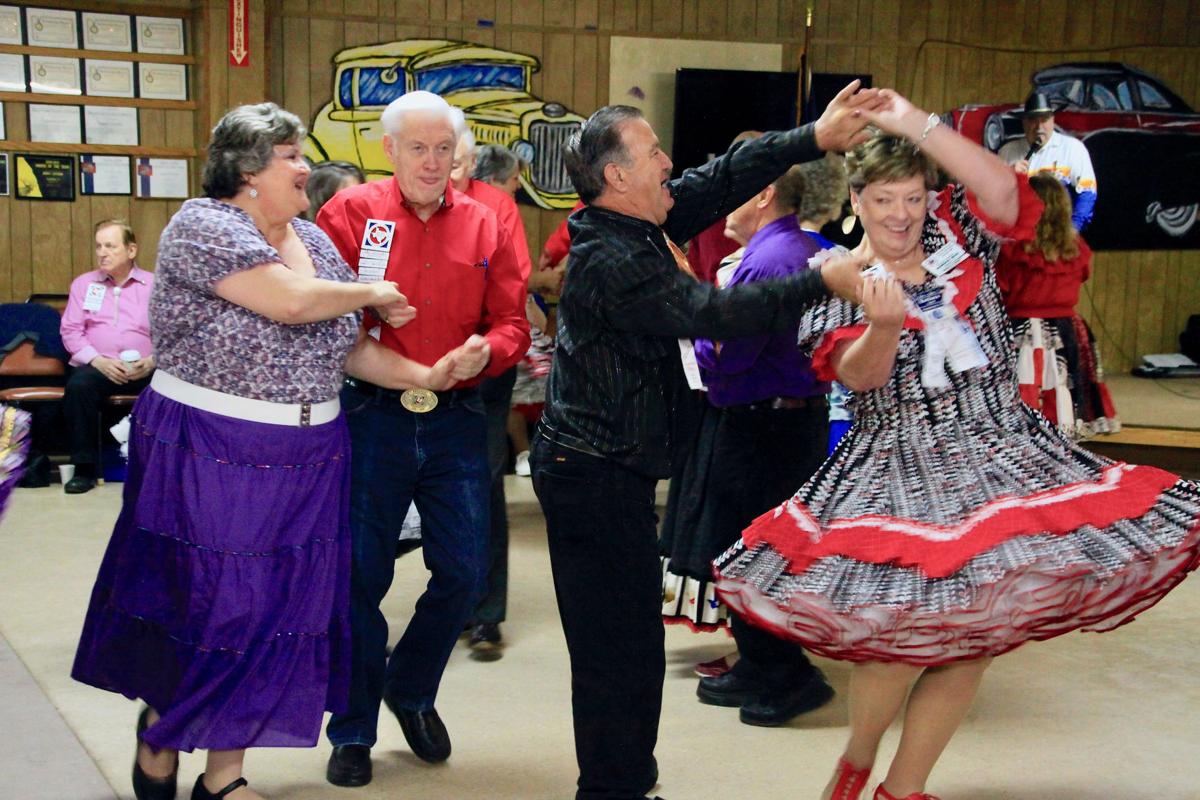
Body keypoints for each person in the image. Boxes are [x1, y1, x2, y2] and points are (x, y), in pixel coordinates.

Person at [714, 90, 1200, 800]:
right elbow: (856, 376)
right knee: (903, 643)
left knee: (978, 635)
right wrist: (881, 326)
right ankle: (856, 763)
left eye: (912, 197)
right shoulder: (838, 277)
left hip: (999, 449)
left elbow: (1003, 187)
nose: (902, 214)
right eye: (884, 200)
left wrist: (912, 122)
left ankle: (901, 790)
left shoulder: (959, 233)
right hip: (900, 465)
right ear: (857, 200)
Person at [72, 102, 445, 800]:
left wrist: (425, 376)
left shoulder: (314, 240)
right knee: (215, 608)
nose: (307, 168)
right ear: (248, 170)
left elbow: (347, 344)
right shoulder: (202, 225)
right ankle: (162, 729)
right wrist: (372, 291)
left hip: (309, 455)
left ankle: (224, 776)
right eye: (292, 157)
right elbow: (292, 303)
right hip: (211, 450)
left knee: (279, 612)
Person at [531, 81, 880, 800]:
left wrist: (814, 135)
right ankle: (612, 791)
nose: (669, 163)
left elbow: (718, 178)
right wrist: (820, 279)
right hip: (590, 475)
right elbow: (716, 312)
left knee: (631, 650)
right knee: (616, 654)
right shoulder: (611, 259)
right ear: (616, 177)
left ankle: (625, 785)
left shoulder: (633, 221)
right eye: (653, 152)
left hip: (610, 470)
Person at [316, 90, 529, 788]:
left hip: (459, 422)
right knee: (360, 580)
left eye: (444, 149)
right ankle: (351, 729)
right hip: (372, 416)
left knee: (465, 573)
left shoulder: (487, 222)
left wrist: (485, 354)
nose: (433, 162)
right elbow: (324, 322)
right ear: (390, 151)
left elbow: (512, 324)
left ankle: (408, 688)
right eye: (418, 148)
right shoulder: (350, 214)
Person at [677, 164, 836, 727]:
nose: (725, 210)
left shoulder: (770, 260)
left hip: (765, 426)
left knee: (749, 554)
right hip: (776, 421)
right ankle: (760, 661)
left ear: (764, 194)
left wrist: (693, 306)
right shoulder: (787, 248)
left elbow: (727, 354)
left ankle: (788, 675)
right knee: (743, 550)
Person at [448, 112, 532, 658]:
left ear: (472, 162)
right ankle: (450, 599)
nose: (440, 170)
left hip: (481, 368)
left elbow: (512, 287)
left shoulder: (495, 206)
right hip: (413, 371)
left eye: (452, 161)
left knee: (480, 485)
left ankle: (485, 612)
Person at [997, 173, 1119, 437]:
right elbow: (1083, 273)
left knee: (1025, 396)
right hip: (1067, 332)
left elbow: (1001, 286)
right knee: (1063, 390)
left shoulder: (1013, 247)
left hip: (1021, 333)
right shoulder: (1074, 247)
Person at [58, 220, 156, 493]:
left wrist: (151, 362)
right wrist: (98, 360)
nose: (102, 252)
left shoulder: (154, 285)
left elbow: (173, 333)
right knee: (79, 387)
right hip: (99, 366)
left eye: (111, 246)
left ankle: (166, 468)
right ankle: (84, 469)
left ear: (131, 250)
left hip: (146, 366)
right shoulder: (84, 284)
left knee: (176, 387)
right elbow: (71, 331)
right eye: (99, 246)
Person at [998, 90, 1097, 230]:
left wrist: (1071, 233)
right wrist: (1009, 177)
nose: (1039, 127)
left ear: (1053, 119)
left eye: (1044, 119)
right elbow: (992, 200)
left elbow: (1087, 194)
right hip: (1021, 238)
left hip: (1058, 236)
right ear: (1024, 122)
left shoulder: (1073, 148)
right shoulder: (1007, 152)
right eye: (1033, 119)